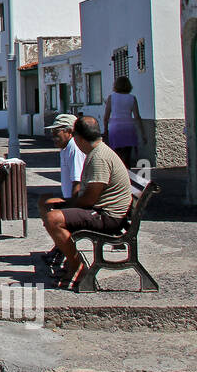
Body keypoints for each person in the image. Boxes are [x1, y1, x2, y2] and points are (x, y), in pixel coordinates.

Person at [42, 115, 135, 288]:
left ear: (78, 138)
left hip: (108, 216)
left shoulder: (99, 157)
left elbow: (89, 199)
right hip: (104, 211)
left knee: (53, 219)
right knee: (51, 209)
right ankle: (72, 264)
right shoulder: (97, 152)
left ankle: (79, 269)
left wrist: (66, 207)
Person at [39, 114, 84, 269]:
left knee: (52, 216)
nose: (53, 136)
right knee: (43, 202)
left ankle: (68, 255)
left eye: (56, 132)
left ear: (69, 131)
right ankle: (60, 246)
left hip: (78, 202)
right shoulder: (65, 148)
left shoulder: (74, 149)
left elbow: (77, 183)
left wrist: (68, 207)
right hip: (71, 198)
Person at [103, 76, 147, 167]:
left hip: (115, 128)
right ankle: (127, 175)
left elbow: (106, 116)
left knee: (116, 156)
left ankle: (118, 176)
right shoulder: (132, 98)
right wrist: (143, 133)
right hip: (128, 129)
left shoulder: (111, 98)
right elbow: (137, 117)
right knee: (127, 155)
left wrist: (105, 130)